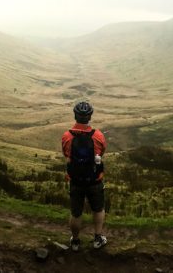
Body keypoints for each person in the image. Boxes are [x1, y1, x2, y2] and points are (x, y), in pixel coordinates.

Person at [61, 101, 108, 251]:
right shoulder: (98, 135)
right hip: (95, 180)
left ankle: (75, 242)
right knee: (98, 209)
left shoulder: (67, 136)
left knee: (76, 213)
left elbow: (66, 154)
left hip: (75, 180)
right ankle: (97, 238)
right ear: (89, 117)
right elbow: (101, 152)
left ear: (75, 115)